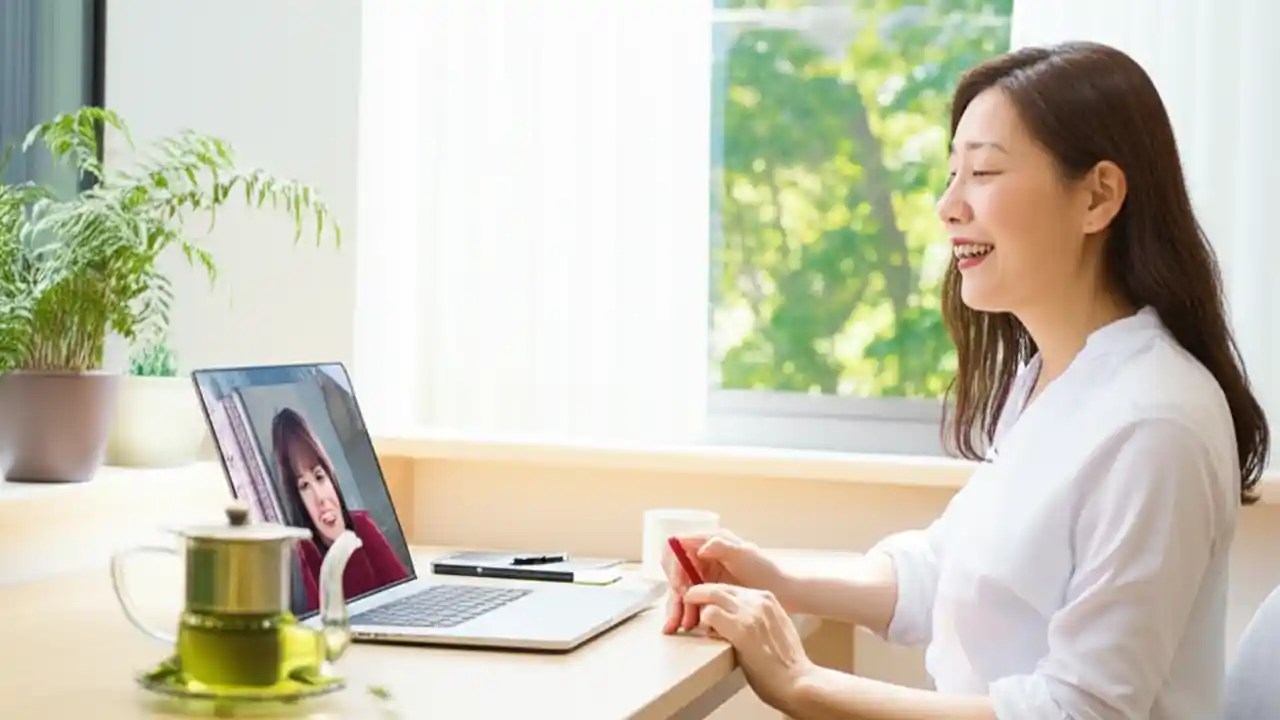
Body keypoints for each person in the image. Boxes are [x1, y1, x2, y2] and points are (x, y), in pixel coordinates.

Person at [663, 41, 1270, 719]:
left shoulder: (1154, 423)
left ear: (1098, 196)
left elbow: (1078, 713)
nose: (949, 206)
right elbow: (943, 571)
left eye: (983, 171)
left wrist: (805, 684)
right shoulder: (1057, 378)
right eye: (952, 174)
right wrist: (773, 577)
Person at [271, 407, 409, 612]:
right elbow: (321, 627)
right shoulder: (305, 554)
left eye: (319, 477)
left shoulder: (362, 525)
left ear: (331, 477)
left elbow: (405, 594)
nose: (320, 497)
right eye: (304, 486)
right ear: (297, 500)